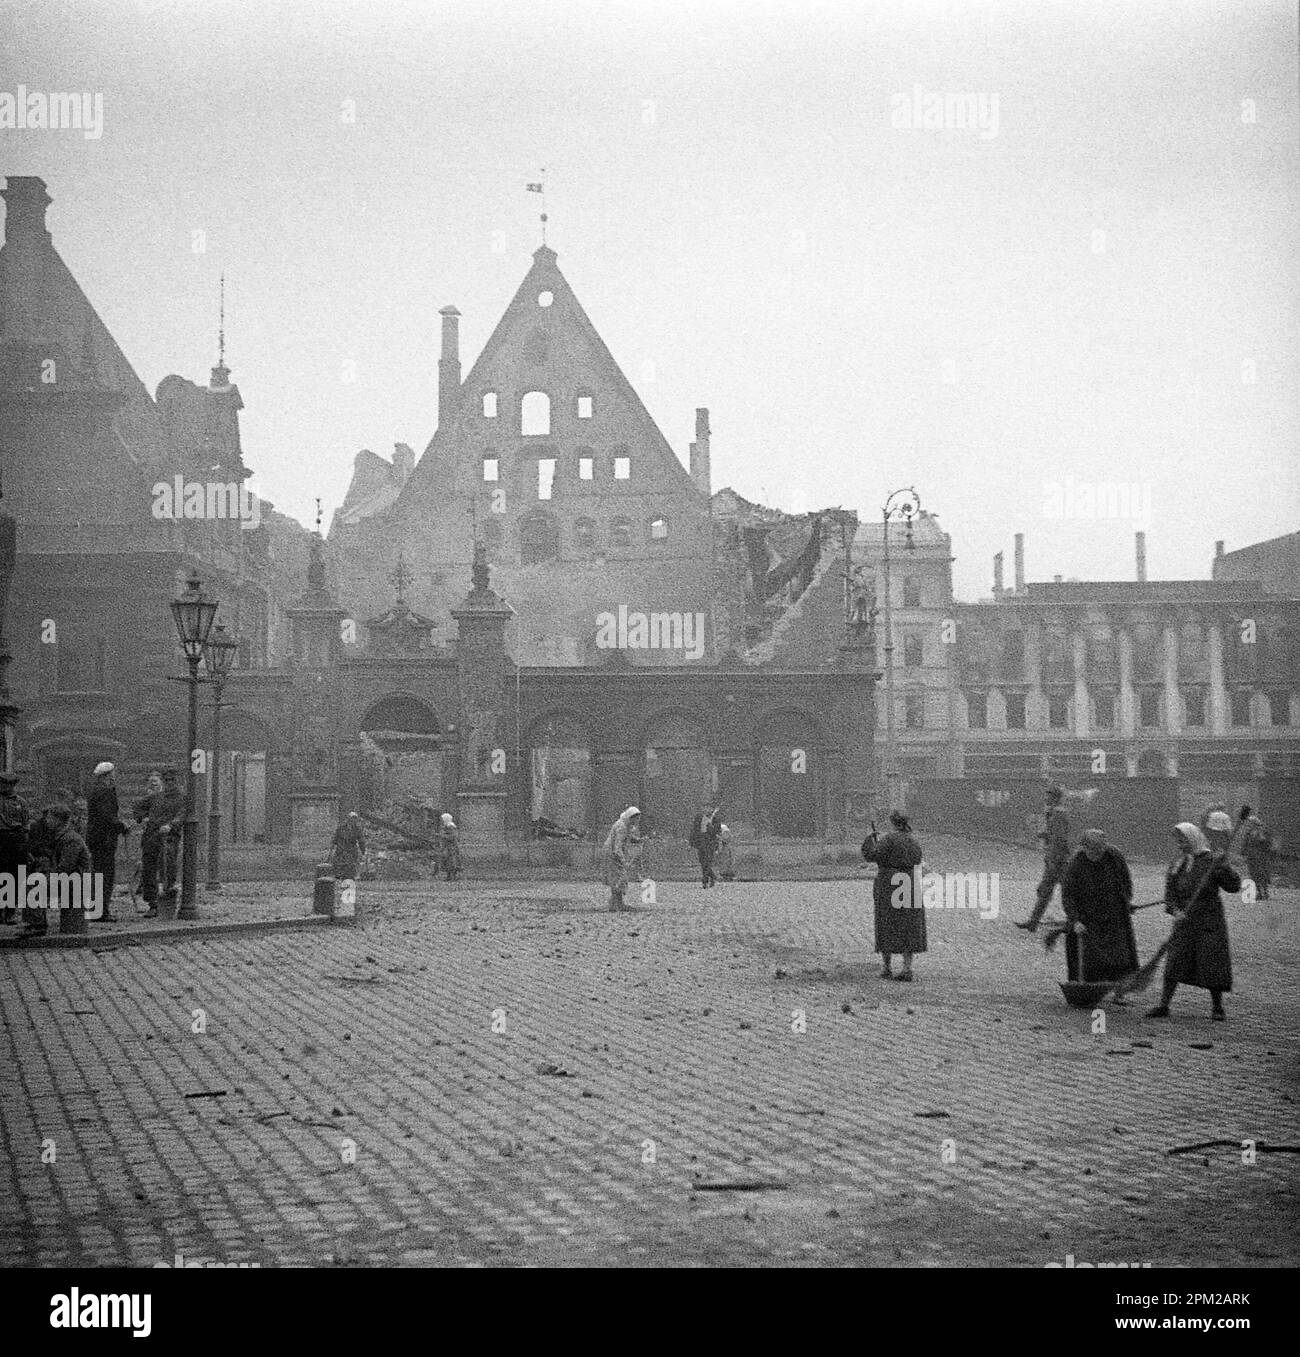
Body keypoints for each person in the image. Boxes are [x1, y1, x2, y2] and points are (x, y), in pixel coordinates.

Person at [1146, 822, 1240, 1022]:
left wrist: (1224, 866)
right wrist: (1175, 911)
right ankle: (1164, 1005)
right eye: (1178, 841)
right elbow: (1169, 895)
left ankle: (1217, 1008)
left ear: (1193, 839)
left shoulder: (1212, 861)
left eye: (1183, 840)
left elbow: (1234, 886)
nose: (1180, 845)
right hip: (1184, 921)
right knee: (1175, 961)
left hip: (1209, 920)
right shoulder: (1177, 864)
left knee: (1212, 961)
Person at [1060, 828, 1139, 999]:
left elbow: (1125, 881)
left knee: (1119, 958)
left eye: (1100, 851)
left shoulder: (1114, 856)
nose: (1097, 855)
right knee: (1088, 957)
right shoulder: (1075, 864)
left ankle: (1119, 993)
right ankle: (1087, 991)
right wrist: (1075, 921)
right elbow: (1068, 896)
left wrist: (1126, 901)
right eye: (1093, 852)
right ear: (1084, 848)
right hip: (1087, 917)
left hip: (1113, 915)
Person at [861, 809, 926, 981]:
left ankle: (887, 967)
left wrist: (870, 839)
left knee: (886, 922)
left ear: (892, 822)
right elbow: (918, 858)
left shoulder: (888, 839)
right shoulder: (913, 839)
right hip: (910, 883)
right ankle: (907, 968)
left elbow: (871, 855)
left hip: (889, 883)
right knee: (909, 925)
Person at [1016, 785, 1072, 932]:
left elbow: (1060, 840)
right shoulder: (1053, 812)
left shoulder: (1059, 813)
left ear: (1055, 798)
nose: (1046, 798)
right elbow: (1056, 836)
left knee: (1067, 893)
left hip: (1059, 861)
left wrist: (1054, 860)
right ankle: (1033, 922)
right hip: (1053, 860)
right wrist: (1046, 835)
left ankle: (1074, 921)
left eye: (1049, 796)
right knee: (1044, 891)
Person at [134, 770, 181, 917]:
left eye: (172, 780)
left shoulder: (181, 798)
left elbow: (184, 814)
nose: (170, 783)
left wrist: (171, 825)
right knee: (148, 870)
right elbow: (137, 807)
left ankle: (167, 900)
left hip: (169, 839)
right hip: (151, 837)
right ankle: (153, 904)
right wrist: (143, 818)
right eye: (167, 780)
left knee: (168, 869)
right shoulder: (155, 797)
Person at [86, 762, 129, 923]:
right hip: (104, 840)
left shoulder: (95, 791)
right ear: (107, 776)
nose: (113, 777)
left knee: (98, 874)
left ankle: (96, 909)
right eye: (112, 775)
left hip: (97, 839)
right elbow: (107, 817)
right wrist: (122, 826)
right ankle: (101, 912)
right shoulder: (105, 792)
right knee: (105, 875)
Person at [0, 770, 29, 926]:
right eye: (3, 784)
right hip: (1, 838)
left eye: (9, 785)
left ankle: (10, 912)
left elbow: (26, 824)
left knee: (14, 877)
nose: (6, 787)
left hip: (15, 841)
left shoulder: (21, 802)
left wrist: (24, 843)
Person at [604, 806, 642, 910]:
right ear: (631, 817)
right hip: (613, 855)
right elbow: (617, 846)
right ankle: (616, 904)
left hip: (614, 853)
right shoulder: (622, 827)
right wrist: (623, 861)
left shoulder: (625, 825)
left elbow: (628, 837)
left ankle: (616, 903)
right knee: (619, 878)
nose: (638, 821)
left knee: (618, 878)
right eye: (636, 818)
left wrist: (638, 840)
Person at [1240, 813, 1274, 901]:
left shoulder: (1260, 832)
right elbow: (1245, 844)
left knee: (1259, 874)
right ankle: (1261, 892)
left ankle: (1264, 892)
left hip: (1258, 856)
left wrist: (1244, 852)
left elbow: (1267, 843)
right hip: (1255, 856)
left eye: (1250, 823)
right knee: (1256, 874)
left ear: (1254, 823)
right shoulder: (1252, 832)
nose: (1248, 825)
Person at [688, 802, 722, 888]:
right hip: (701, 842)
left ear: (711, 809)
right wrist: (691, 842)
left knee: (707, 862)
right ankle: (712, 876)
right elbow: (694, 830)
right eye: (704, 808)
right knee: (702, 862)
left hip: (710, 842)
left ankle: (705, 881)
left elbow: (717, 831)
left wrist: (710, 827)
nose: (706, 810)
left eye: (708, 808)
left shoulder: (715, 818)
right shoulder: (699, 818)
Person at [331, 811, 366, 881]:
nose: (353, 821)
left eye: (355, 819)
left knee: (351, 865)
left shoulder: (357, 829)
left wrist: (363, 851)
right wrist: (333, 847)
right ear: (348, 819)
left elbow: (361, 840)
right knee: (340, 864)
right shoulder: (341, 828)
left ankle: (351, 876)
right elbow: (335, 839)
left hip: (351, 849)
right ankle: (339, 875)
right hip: (341, 849)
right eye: (352, 819)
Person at [439, 812, 461, 881]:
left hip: (451, 847)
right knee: (447, 861)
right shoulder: (446, 827)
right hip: (447, 847)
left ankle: (453, 876)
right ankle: (448, 876)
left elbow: (453, 836)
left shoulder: (451, 827)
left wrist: (444, 836)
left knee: (452, 862)